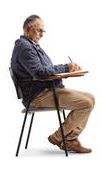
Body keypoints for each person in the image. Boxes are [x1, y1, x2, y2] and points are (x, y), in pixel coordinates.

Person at [10, 14, 96, 153]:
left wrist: (66, 72)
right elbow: (39, 72)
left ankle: (69, 139)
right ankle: (60, 137)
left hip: (47, 90)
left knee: (90, 98)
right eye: (39, 30)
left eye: (43, 31)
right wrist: (66, 68)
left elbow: (46, 70)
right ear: (27, 29)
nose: (42, 34)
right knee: (86, 103)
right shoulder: (25, 48)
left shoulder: (33, 46)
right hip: (37, 96)